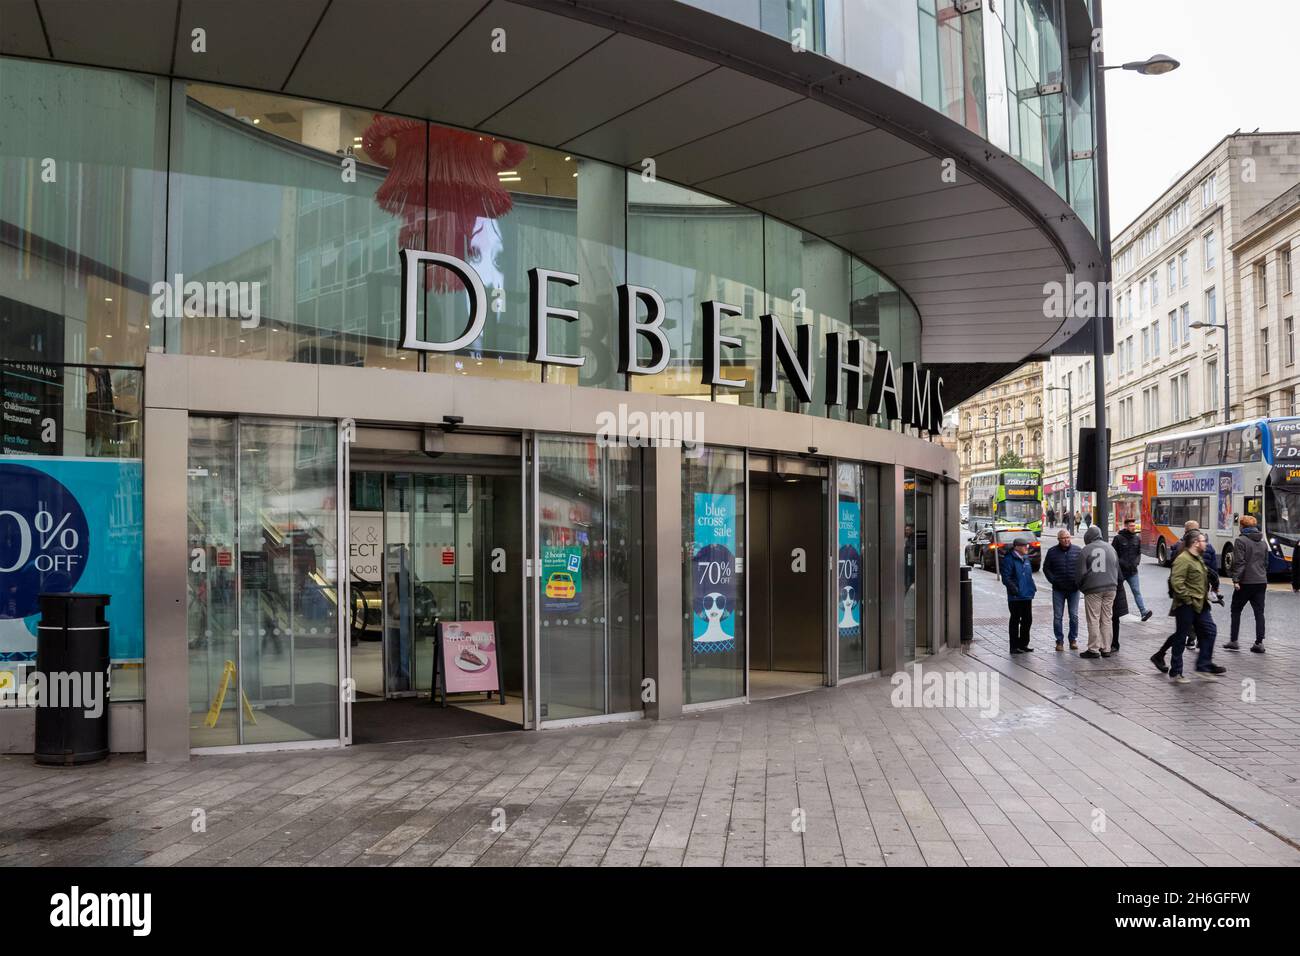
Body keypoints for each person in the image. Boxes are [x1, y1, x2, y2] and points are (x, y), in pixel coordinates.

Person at [1166, 530, 1226, 682]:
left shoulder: (1197, 558)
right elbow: (1176, 582)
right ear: (1195, 543)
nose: (1206, 543)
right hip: (1186, 605)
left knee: (1210, 631)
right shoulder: (1183, 559)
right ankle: (1176, 671)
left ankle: (1203, 666)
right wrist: (1188, 599)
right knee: (1181, 636)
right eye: (1203, 541)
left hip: (1201, 604)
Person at [1075, 525, 1118, 658]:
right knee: (1107, 619)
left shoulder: (1086, 550)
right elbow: (1116, 568)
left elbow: (1080, 573)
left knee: (1093, 618)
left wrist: (1081, 587)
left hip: (1093, 589)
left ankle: (1093, 649)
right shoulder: (1111, 548)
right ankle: (1106, 648)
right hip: (1111, 588)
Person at [1227, 514, 1268, 652]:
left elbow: (1240, 562)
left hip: (1246, 582)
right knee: (1259, 612)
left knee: (1236, 610)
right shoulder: (1263, 542)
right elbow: (1266, 563)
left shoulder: (1241, 541)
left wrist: (1236, 580)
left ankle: (1234, 640)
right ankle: (1259, 643)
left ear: (1242, 526)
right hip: (1261, 581)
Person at [1043, 528, 1081, 651]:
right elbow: (1046, 568)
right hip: (1058, 590)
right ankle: (1059, 641)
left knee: (1074, 615)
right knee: (1058, 616)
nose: (1066, 540)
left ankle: (1073, 640)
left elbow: (1083, 568)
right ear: (1059, 539)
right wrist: (1053, 580)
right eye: (1063, 538)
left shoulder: (1077, 551)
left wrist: (1079, 581)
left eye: (1068, 537)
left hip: (1074, 589)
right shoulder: (1052, 552)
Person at [1112, 515, 1153, 621]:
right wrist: (1121, 563)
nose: (1133, 527)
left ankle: (1143, 612)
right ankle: (1112, 612)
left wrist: (1136, 562)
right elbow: (1113, 553)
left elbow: (1139, 553)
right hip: (1120, 572)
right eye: (1131, 526)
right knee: (1115, 592)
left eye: (1134, 525)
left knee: (1136, 591)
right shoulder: (1118, 538)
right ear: (1125, 526)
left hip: (1133, 572)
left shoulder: (1137, 538)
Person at [1000, 536, 1036, 655]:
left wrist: (1032, 587)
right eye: (1024, 546)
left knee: (1027, 620)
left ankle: (1023, 644)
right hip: (1015, 596)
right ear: (1017, 547)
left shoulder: (1025, 558)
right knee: (1015, 620)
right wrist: (1015, 590)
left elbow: (1028, 575)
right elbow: (1006, 578)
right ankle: (1014, 646)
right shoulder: (1009, 559)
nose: (1027, 548)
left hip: (1027, 595)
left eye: (1027, 546)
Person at [1110, 572, 1128, 652]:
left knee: (1114, 619)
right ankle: (1112, 643)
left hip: (1115, 592)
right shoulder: (1114, 559)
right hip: (1114, 591)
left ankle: (1114, 643)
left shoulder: (1114, 560)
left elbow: (1120, 578)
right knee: (1114, 620)